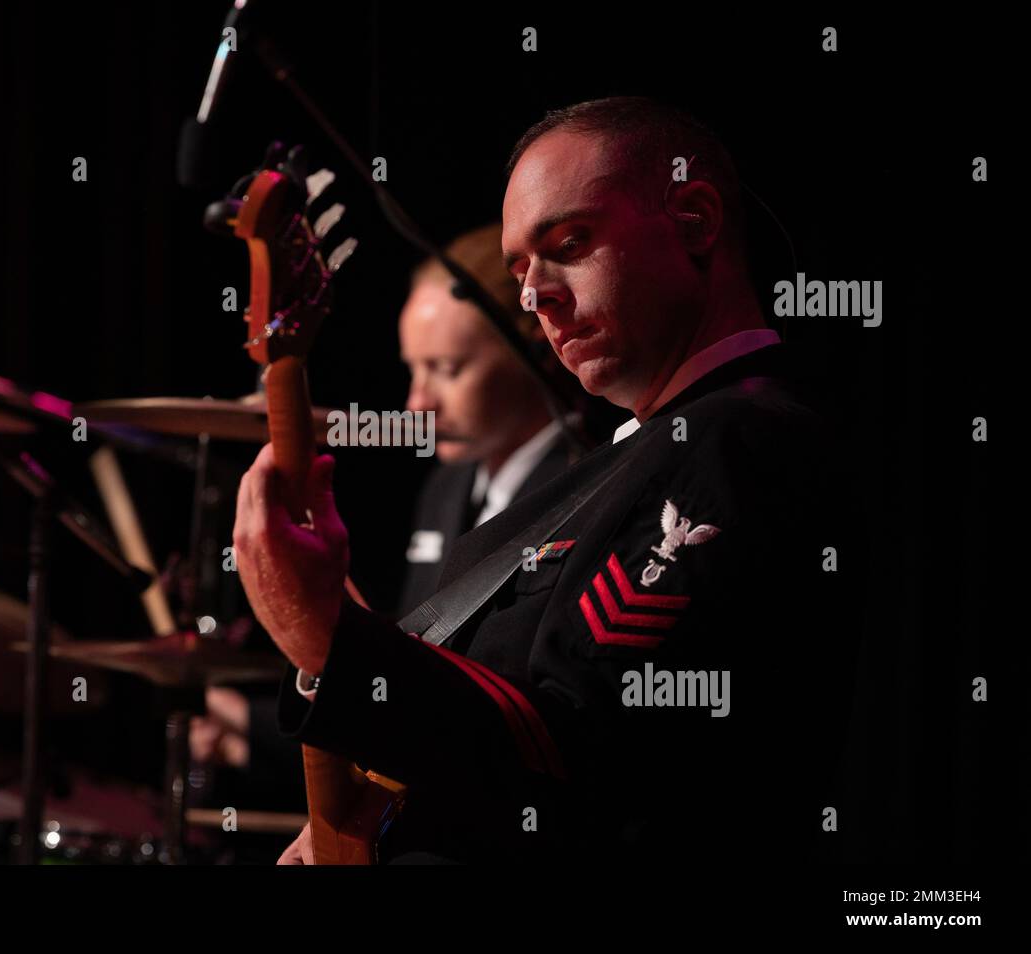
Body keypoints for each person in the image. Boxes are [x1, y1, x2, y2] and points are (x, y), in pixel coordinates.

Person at [233, 96, 859, 864]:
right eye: (521, 269)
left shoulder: (739, 439)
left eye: (568, 243)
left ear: (694, 220)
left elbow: (575, 754)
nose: (534, 297)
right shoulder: (639, 453)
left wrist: (323, 636)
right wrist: (376, 812)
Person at [191, 225, 610, 808]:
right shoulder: (448, 487)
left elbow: (505, 735)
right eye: (414, 369)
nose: (417, 402)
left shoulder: (587, 489)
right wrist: (255, 726)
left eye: (447, 367)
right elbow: (411, 688)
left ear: (532, 348)